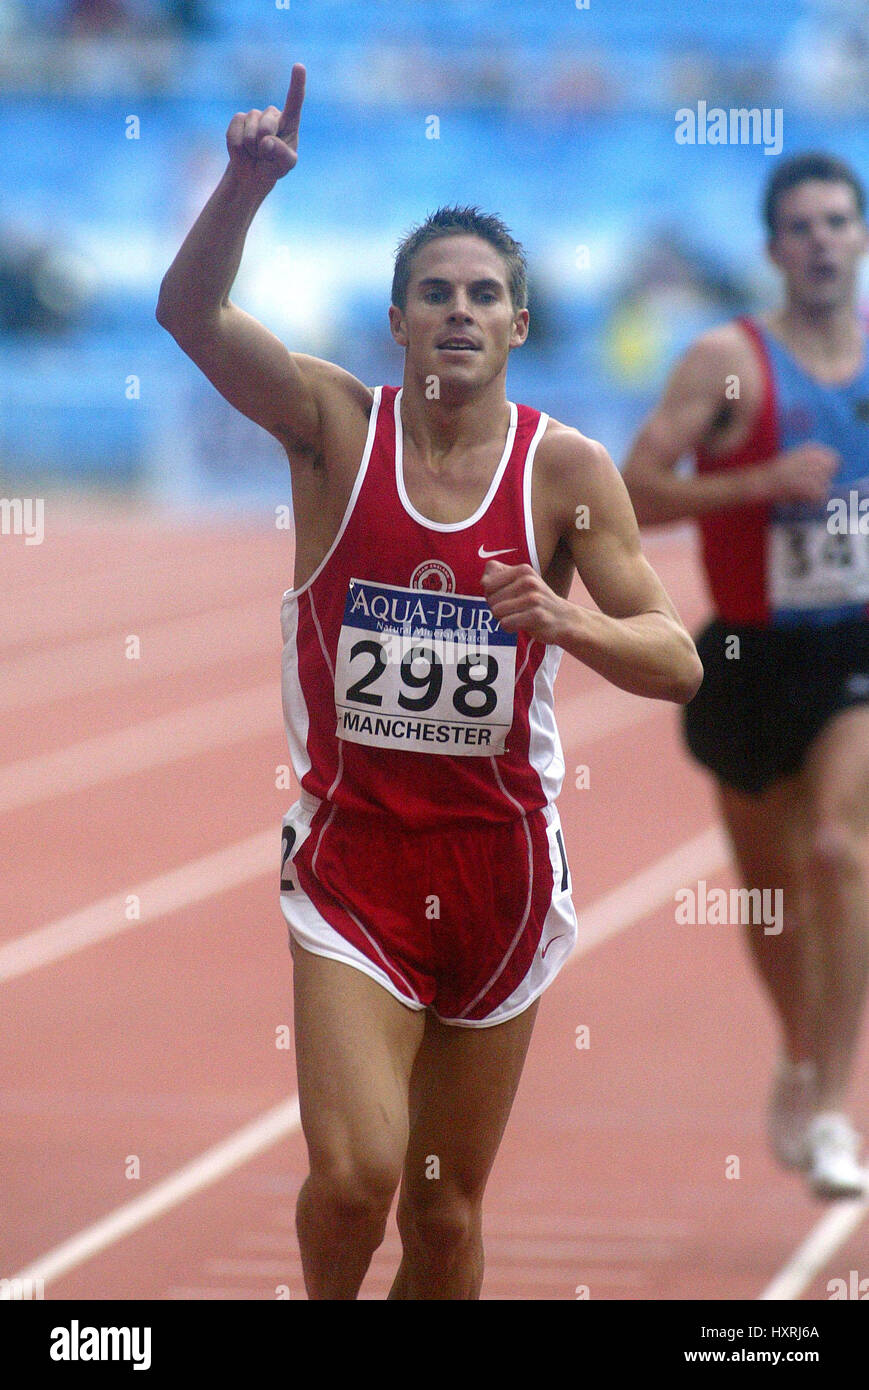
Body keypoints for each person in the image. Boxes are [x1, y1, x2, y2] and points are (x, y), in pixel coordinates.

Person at [156, 64, 702, 1299]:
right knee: (355, 1179)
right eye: (434, 293)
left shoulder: (565, 473)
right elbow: (189, 317)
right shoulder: (329, 427)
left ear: (518, 325)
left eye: (485, 295)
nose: (459, 311)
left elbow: (675, 657)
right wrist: (241, 190)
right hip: (355, 863)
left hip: (500, 869)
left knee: (447, 1219)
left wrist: (564, 620)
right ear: (396, 321)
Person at [622, 151, 869, 1200]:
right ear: (772, 250)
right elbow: (631, 489)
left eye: (836, 222)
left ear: (858, 239)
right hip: (745, 655)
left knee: (837, 847)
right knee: (771, 902)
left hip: (854, 647)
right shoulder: (725, 362)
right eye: (799, 227)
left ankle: (826, 1107)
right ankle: (797, 1052)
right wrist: (758, 480)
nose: (818, 240)